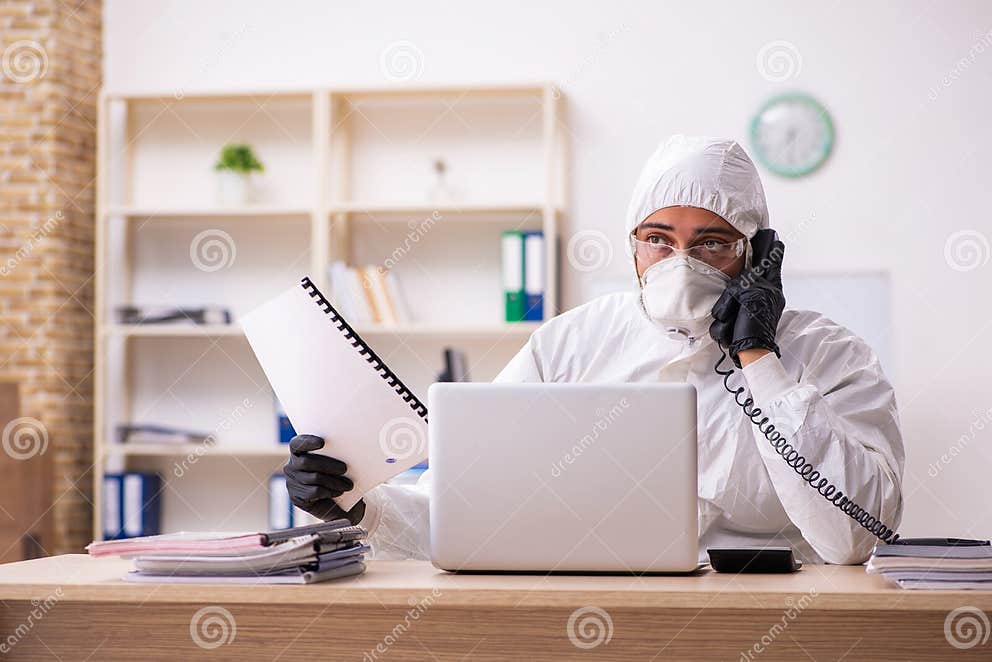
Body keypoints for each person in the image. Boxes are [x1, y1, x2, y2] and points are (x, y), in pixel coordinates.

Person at [284, 135, 905, 565]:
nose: (679, 263)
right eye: (658, 239)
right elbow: (470, 505)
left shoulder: (830, 357)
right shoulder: (568, 347)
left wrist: (758, 357)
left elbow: (852, 537)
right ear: (632, 245)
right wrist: (360, 505)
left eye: (711, 242)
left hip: (774, 627)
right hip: (602, 619)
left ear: (757, 251)